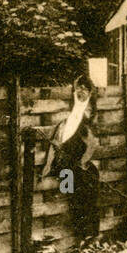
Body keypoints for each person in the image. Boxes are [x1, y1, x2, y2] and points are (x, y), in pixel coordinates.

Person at [41, 78, 101, 239]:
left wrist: (82, 162)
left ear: (90, 93)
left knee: (86, 203)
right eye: (79, 88)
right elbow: (58, 139)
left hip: (83, 169)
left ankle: (88, 239)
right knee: (70, 198)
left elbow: (92, 143)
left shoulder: (90, 116)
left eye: (85, 88)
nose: (81, 91)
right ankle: (76, 241)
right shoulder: (68, 115)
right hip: (67, 167)